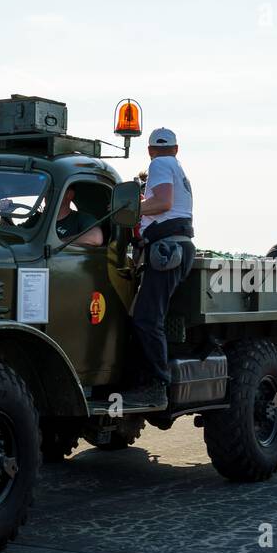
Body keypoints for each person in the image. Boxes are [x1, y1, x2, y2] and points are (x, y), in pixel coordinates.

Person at [125, 127, 196, 407]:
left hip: (168, 248)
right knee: (150, 316)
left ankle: (156, 386)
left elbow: (163, 202)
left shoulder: (159, 164)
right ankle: (148, 381)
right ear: (177, 148)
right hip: (176, 246)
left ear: (150, 150)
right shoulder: (176, 166)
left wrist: (130, 208)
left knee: (146, 317)